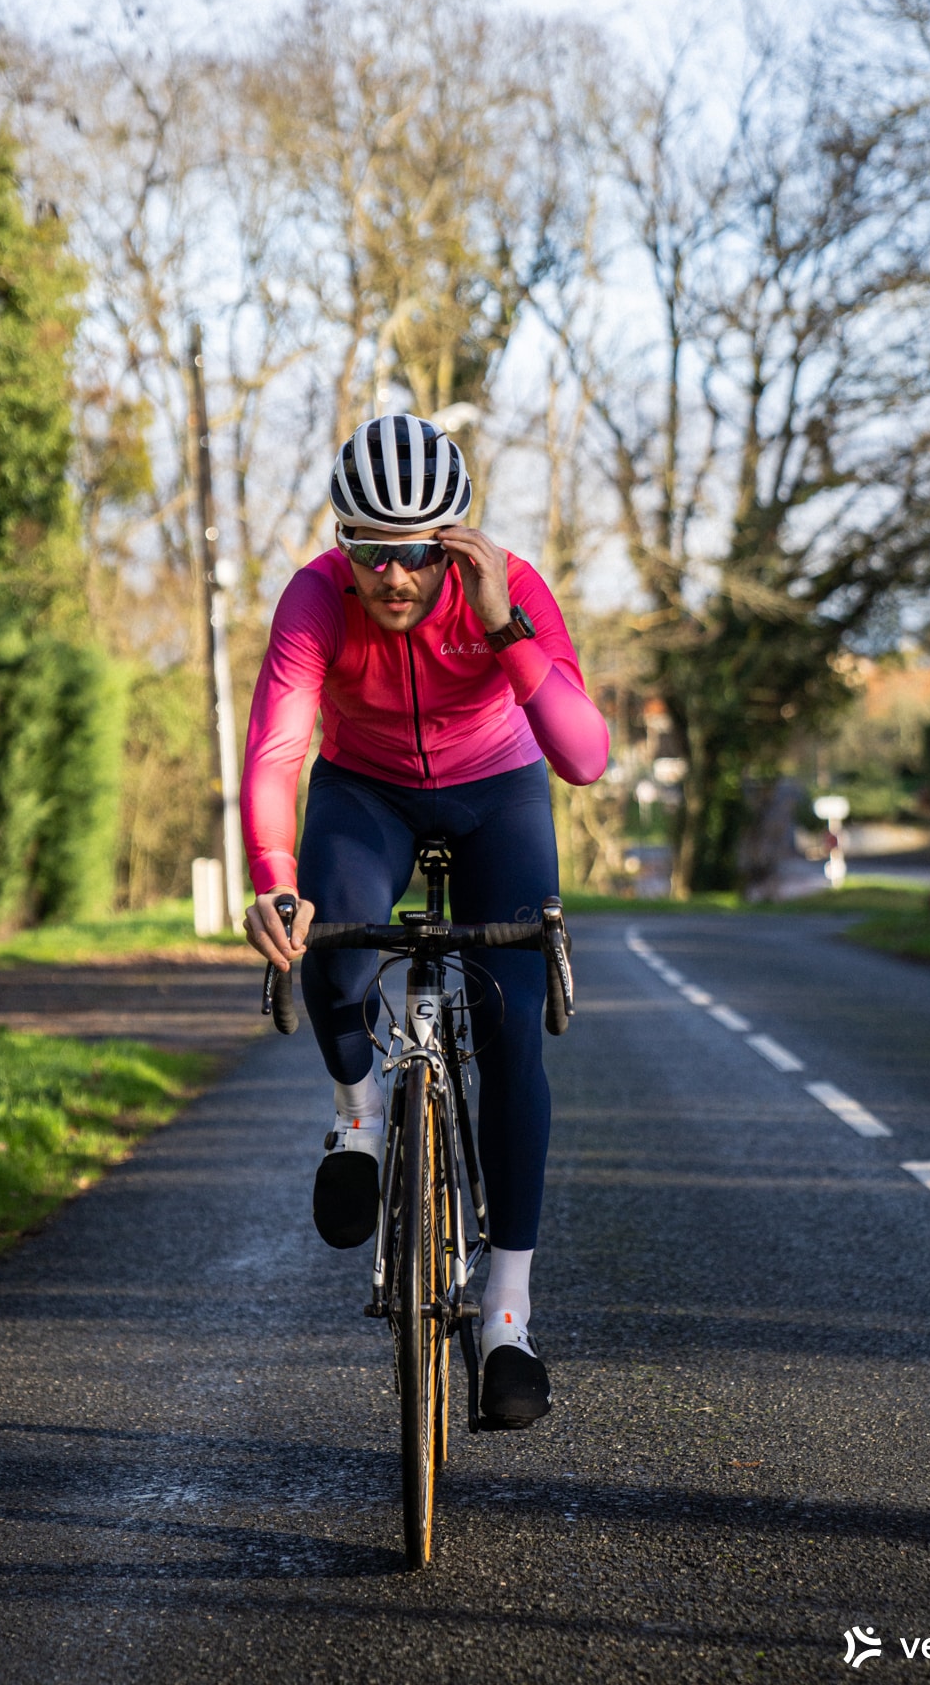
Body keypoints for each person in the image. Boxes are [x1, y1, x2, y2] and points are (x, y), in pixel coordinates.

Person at [241, 413, 608, 1428]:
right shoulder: (317, 597)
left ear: (453, 541)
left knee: (511, 1030)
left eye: (416, 551)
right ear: (342, 541)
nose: (392, 576)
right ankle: (359, 1117)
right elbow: (278, 747)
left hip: (501, 793)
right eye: (369, 548)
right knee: (331, 936)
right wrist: (273, 875)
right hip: (367, 790)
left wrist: (502, 625)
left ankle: (506, 1317)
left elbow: (582, 755)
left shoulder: (512, 586)